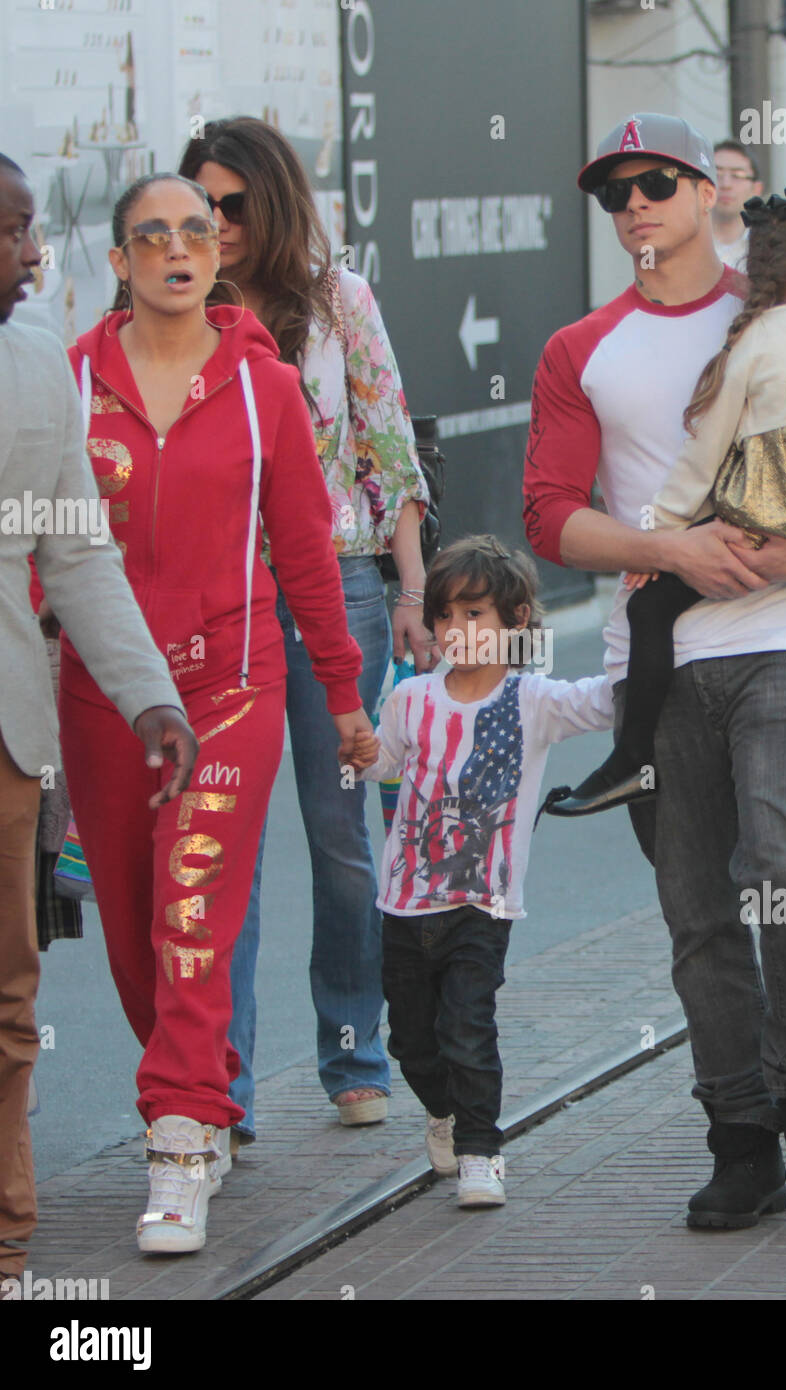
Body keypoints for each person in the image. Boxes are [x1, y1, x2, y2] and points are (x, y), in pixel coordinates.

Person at [523, 112, 786, 1231]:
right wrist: (668, 549)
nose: (636, 205)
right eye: (615, 194)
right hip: (654, 660)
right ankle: (739, 1136)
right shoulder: (580, 349)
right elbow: (550, 516)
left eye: (657, 182)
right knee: (699, 916)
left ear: (708, 192)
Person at [56, 171, 370, 1254]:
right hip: (102, 698)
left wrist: (340, 693)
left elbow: (308, 556)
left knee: (193, 904)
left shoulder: (263, 384)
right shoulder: (69, 385)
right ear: (120, 261)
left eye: (197, 231)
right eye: (153, 237)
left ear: (217, 253)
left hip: (232, 691)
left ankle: (181, 1138)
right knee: (140, 937)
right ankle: (205, 1090)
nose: (179, 251)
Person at [178, 118, 432, 1141]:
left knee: (339, 839)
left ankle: (351, 1053)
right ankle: (216, 1082)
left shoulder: (339, 302)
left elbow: (388, 446)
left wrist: (410, 591)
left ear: (273, 202)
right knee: (217, 836)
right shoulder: (172, 301)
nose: (214, 225)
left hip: (336, 588)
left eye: (232, 205)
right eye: (199, 207)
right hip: (212, 600)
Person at [552, 186, 786, 816]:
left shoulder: (755, 338)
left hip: (760, 510)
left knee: (649, 611)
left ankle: (634, 758)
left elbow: (706, 450)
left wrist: (664, 538)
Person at [0, 154, 198, 1282]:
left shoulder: (36, 369)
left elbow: (77, 553)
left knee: (9, 999)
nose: (36, 256)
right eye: (18, 232)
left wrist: (148, 696)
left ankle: (9, 1246)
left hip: (9, 735)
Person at [346, 536, 615, 1207]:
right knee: (412, 1040)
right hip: (404, 903)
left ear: (515, 622)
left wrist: (636, 607)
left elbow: (607, 699)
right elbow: (385, 767)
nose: (457, 632)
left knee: (467, 1026)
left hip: (481, 905)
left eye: (476, 616)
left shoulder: (534, 700)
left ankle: (479, 1150)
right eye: (446, 617)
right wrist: (364, 752)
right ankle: (443, 1111)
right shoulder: (411, 698)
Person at [711, 140, 763, 271]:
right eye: (717, 174)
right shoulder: (684, 243)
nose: (726, 184)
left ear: (756, 189)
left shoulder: (769, 246)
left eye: (737, 175)